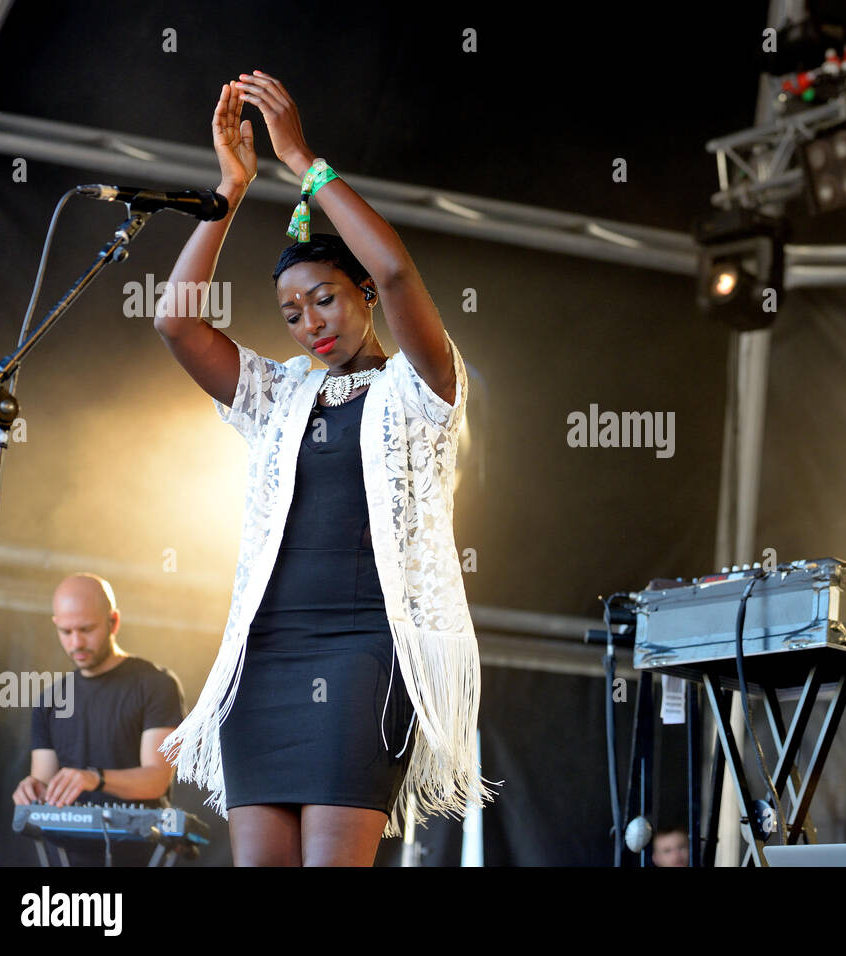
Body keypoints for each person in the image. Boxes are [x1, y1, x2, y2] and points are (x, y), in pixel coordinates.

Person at [153, 71, 490, 866]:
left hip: (365, 653)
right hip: (263, 655)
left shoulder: (420, 387)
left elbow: (404, 272)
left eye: (326, 300)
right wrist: (229, 192)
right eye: (292, 313)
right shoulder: (277, 395)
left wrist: (304, 160)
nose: (309, 324)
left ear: (364, 292)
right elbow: (174, 320)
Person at [12, 573, 184, 866]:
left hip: (141, 851)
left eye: (86, 629)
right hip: (70, 853)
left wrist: (94, 778)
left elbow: (156, 778)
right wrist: (32, 789)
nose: (76, 642)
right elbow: (43, 781)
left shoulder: (156, 684)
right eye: (66, 632)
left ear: (113, 622)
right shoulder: (50, 701)